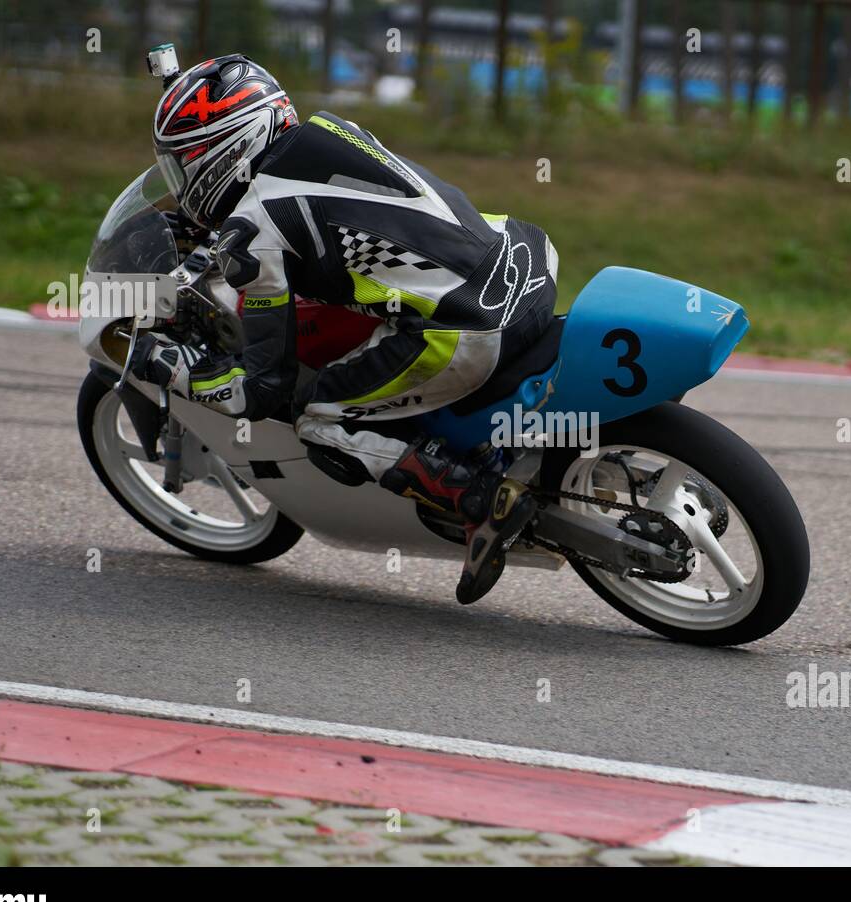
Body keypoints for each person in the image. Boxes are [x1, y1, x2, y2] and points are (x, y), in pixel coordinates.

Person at [131, 53, 556, 603]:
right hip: (525, 259)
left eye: (184, 166)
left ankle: (477, 497)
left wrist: (172, 367)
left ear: (223, 152)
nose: (182, 181)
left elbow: (261, 391)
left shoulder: (254, 233)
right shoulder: (331, 130)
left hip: (468, 328)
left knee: (318, 416)